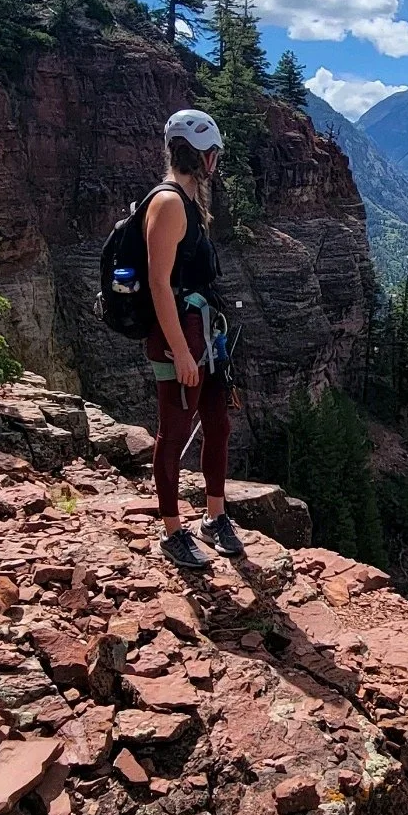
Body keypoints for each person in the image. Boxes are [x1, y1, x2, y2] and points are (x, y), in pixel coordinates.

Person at [144, 109, 243, 567]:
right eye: (214, 156)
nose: (215, 164)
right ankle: (171, 530)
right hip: (179, 340)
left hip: (203, 335)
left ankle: (214, 516)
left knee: (217, 424)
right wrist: (181, 353)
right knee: (174, 433)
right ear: (203, 157)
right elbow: (158, 284)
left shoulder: (187, 203)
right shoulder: (167, 204)